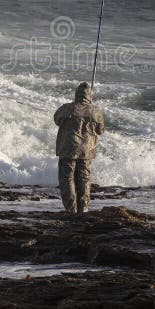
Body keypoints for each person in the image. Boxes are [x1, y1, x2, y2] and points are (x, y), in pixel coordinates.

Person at [53, 82, 104, 215]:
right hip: (86, 151)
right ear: (89, 96)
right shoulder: (95, 111)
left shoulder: (66, 108)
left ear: (77, 94)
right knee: (84, 179)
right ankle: (84, 208)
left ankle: (70, 209)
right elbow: (100, 130)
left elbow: (56, 120)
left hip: (67, 149)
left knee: (67, 179)